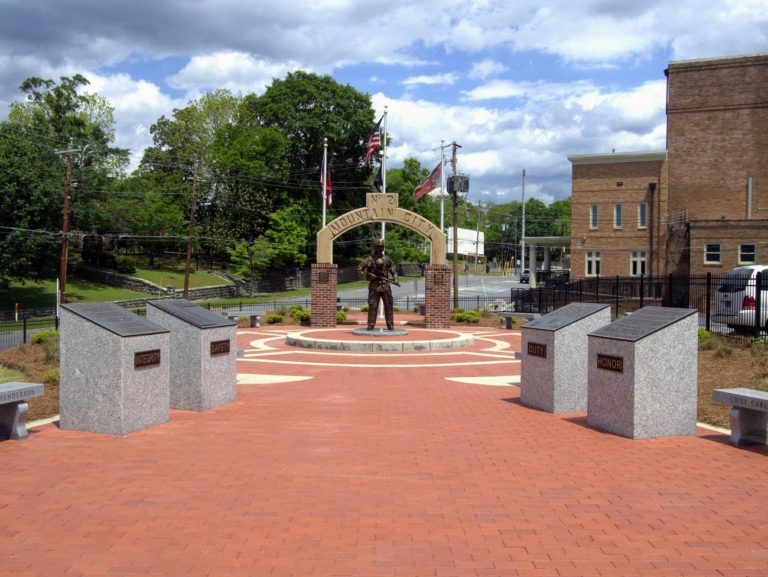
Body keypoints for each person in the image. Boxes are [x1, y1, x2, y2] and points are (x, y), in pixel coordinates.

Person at [357, 238, 399, 330]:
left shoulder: (387, 259)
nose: (380, 249)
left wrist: (395, 277)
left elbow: (393, 269)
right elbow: (359, 269)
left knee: (388, 305)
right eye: (378, 247)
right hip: (374, 286)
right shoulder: (369, 259)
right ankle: (370, 324)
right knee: (373, 305)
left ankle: (390, 324)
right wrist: (368, 276)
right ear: (375, 247)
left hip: (385, 285)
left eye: (381, 247)